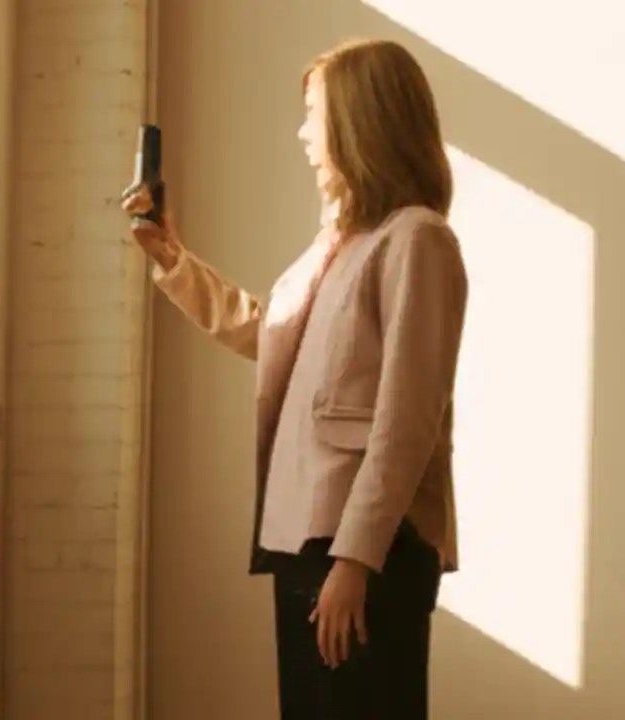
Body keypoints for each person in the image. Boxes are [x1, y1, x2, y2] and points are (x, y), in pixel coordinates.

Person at [122, 38, 468, 720]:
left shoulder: (416, 241)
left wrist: (356, 562)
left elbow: (407, 421)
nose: (303, 132)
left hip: (363, 548)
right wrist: (169, 255)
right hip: (305, 540)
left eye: (314, 113)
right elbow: (269, 333)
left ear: (359, 120)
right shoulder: (342, 243)